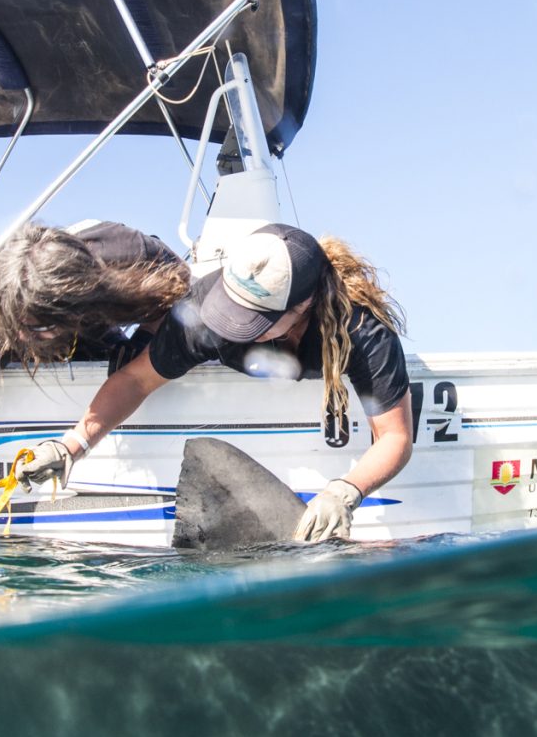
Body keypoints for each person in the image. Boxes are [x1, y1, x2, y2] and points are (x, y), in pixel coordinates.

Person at [22, 225, 413, 543]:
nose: (235, 326)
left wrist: (345, 492)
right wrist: (71, 445)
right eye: (233, 309)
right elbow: (136, 380)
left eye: (254, 319)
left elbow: (394, 436)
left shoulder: (360, 329)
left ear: (302, 306)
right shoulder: (206, 310)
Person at [0, 221, 190, 529]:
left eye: (35, 328)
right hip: (5, 327)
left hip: (89, 316)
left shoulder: (127, 254)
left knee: (129, 359)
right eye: (22, 329)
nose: (25, 336)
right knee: (15, 341)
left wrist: (144, 345)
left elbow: (181, 283)